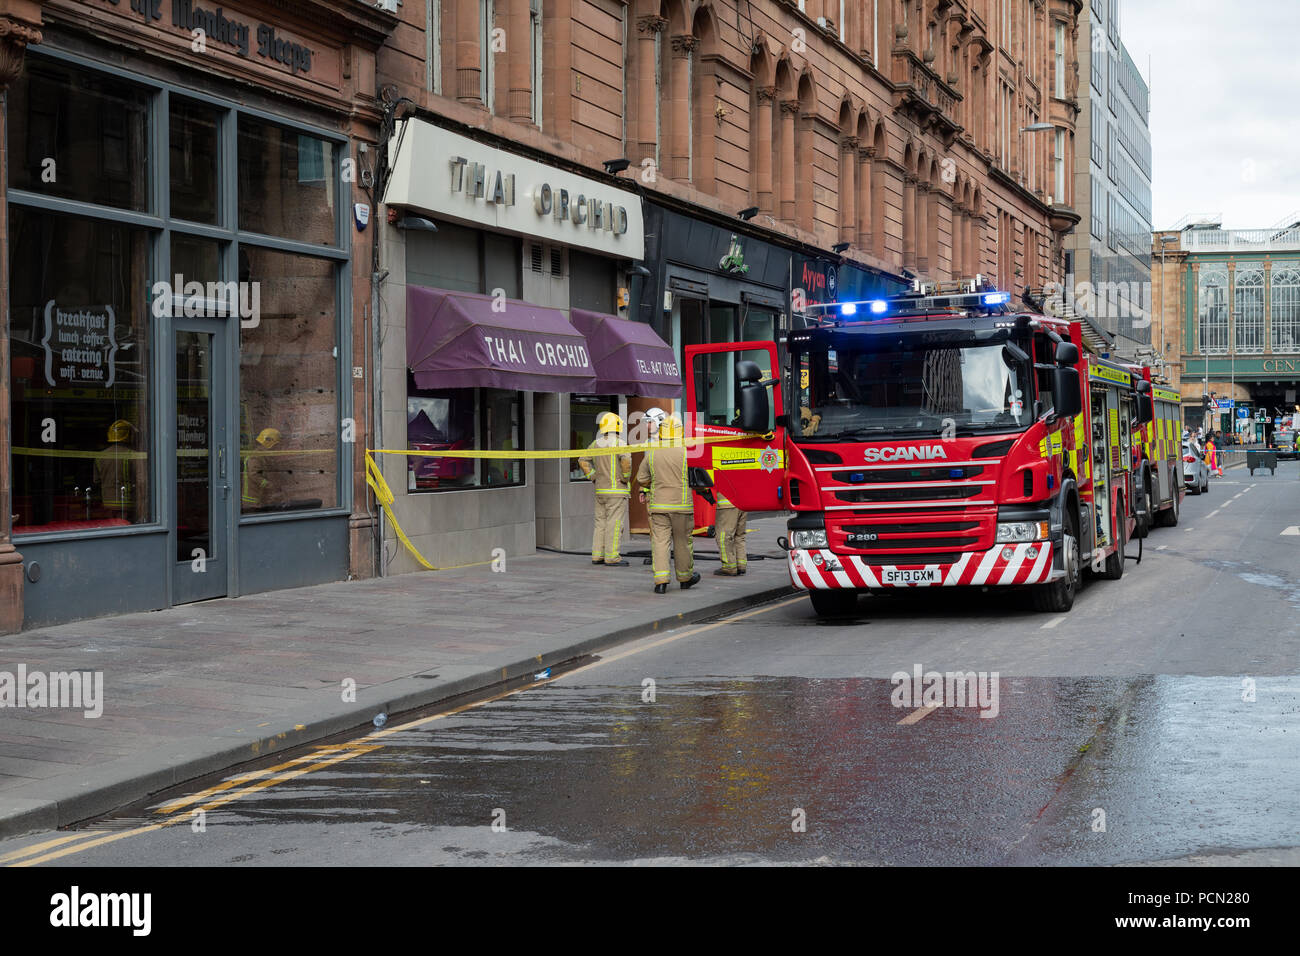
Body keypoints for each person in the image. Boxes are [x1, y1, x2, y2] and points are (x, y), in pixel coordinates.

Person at [635, 414, 700, 594]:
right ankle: (685, 578)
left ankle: (661, 582)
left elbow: (641, 478)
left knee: (660, 543)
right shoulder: (688, 451)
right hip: (682, 506)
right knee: (682, 542)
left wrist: (649, 486)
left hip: (658, 507)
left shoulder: (653, 451)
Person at [578, 412, 632, 567]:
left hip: (600, 491)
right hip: (616, 491)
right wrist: (626, 478)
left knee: (600, 523)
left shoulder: (595, 444)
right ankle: (612, 557)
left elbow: (582, 460)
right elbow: (626, 461)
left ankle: (597, 556)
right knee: (614, 524)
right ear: (617, 426)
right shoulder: (620, 443)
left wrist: (593, 476)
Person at [95, 419, 147, 521]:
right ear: (129, 436)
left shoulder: (99, 456)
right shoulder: (133, 455)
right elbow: (142, 481)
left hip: (107, 503)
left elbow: (97, 481)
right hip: (127, 504)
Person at [242, 427, 283, 508]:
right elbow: (254, 475)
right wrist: (269, 485)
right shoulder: (256, 457)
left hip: (258, 497)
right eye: (276, 445)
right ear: (269, 443)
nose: (277, 448)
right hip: (251, 499)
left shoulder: (262, 455)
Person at [713, 487, 749, 576]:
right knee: (739, 535)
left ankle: (729, 567)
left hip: (727, 503)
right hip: (743, 501)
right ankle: (741, 565)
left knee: (724, 536)